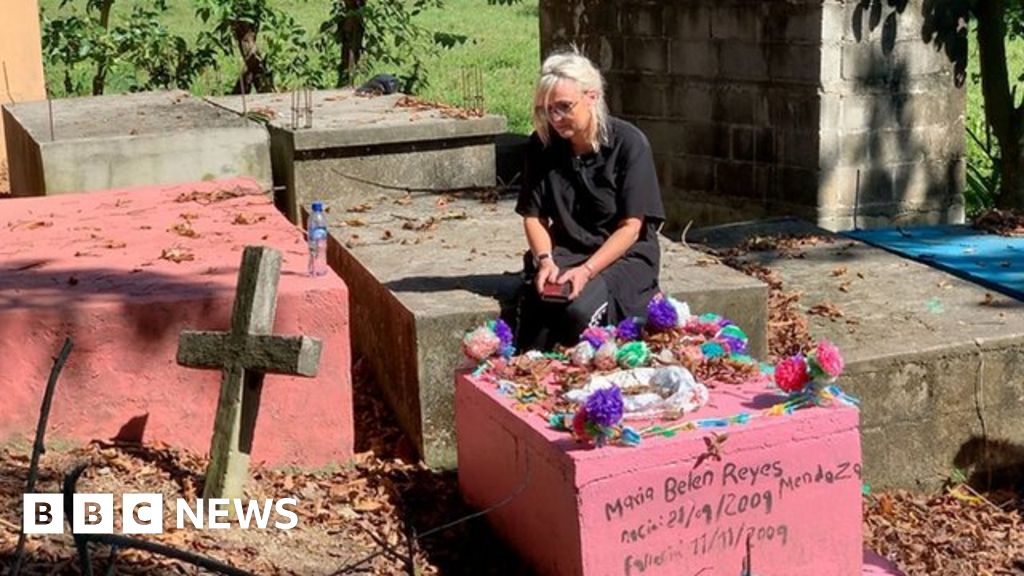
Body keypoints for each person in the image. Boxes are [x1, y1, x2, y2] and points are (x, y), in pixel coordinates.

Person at [515, 49, 665, 351]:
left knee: (579, 312)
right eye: (547, 109)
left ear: (592, 97)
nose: (555, 118)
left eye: (564, 107)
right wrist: (545, 259)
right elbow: (533, 216)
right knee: (538, 307)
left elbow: (631, 228)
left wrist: (587, 270)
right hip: (567, 249)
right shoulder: (542, 144)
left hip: (623, 254)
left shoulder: (629, 144)